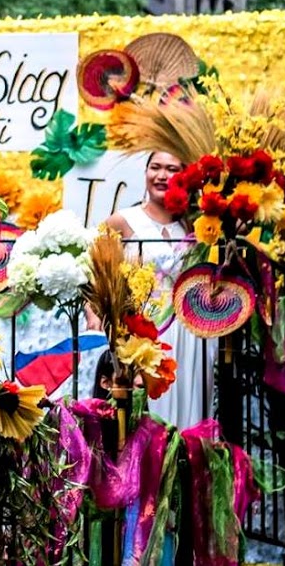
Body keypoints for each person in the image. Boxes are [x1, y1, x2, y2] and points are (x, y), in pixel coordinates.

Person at [103, 151, 213, 429]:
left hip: (191, 335)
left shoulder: (196, 226)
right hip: (143, 335)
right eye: (155, 167)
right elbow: (99, 280)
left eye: (171, 169)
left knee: (191, 420)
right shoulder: (122, 222)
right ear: (146, 173)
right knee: (147, 421)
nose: (162, 175)